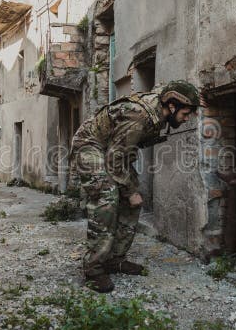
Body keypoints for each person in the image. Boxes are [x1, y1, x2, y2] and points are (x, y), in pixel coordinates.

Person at [70, 80, 201, 292]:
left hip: (114, 149)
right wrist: (129, 191)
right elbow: (115, 159)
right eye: (185, 114)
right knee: (107, 196)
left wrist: (131, 192)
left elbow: (120, 153)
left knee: (132, 202)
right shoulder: (139, 115)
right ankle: (94, 268)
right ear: (172, 106)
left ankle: (115, 259)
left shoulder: (160, 106)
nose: (186, 119)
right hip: (90, 145)